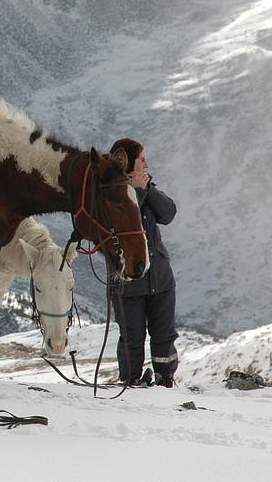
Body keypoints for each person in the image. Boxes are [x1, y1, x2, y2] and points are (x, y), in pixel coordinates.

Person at [108, 138, 179, 388]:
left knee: (164, 335)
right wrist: (136, 192)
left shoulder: (146, 187)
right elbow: (122, 223)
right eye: (142, 159)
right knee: (131, 338)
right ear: (127, 161)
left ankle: (165, 379)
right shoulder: (109, 191)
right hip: (128, 282)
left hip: (160, 278)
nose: (147, 164)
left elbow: (168, 214)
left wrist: (146, 189)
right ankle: (130, 383)